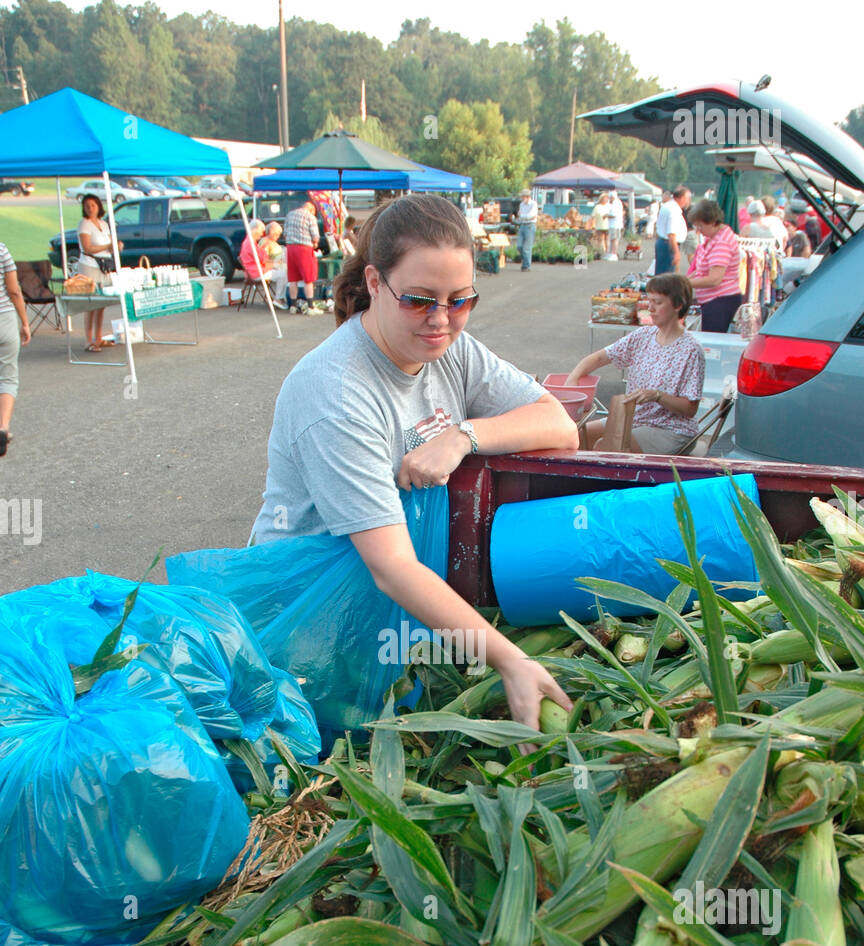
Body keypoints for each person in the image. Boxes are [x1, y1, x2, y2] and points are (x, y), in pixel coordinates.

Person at [249, 194, 578, 730]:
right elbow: (392, 567)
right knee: (318, 749)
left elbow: (560, 425)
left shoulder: (452, 349)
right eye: (420, 300)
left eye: (460, 300)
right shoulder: (336, 392)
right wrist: (509, 659)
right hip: (307, 612)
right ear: (376, 284)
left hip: (388, 605)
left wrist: (462, 436)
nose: (441, 321)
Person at [564, 273, 705, 455]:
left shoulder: (691, 350)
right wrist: (574, 378)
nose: (650, 308)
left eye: (658, 302)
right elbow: (600, 357)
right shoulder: (643, 335)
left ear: (678, 305)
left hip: (670, 429)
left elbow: (689, 409)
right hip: (634, 418)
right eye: (650, 301)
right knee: (573, 436)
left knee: (606, 448)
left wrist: (657, 396)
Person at [685, 198, 743, 333]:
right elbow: (701, 269)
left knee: (712, 343)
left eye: (701, 226)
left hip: (720, 301)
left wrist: (685, 283)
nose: (698, 230)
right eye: (696, 226)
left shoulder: (721, 243)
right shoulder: (713, 237)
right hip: (713, 300)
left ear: (713, 222)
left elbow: (715, 279)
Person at [76, 194, 123, 353]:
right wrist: (107, 246)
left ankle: (98, 337)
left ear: (98, 206)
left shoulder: (103, 224)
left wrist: (116, 246)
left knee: (101, 304)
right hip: (89, 265)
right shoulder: (84, 224)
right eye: (87, 205)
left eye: (93, 205)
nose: (90, 208)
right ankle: (88, 340)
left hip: (104, 266)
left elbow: (110, 244)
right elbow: (87, 247)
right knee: (91, 303)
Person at [0, 241, 30, 457]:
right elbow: (14, 290)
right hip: (5, 319)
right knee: (8, 378)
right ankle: (2, 427)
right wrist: (25, 322)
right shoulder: (1, 250)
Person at [283, 198, 324, 314]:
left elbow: (285, 234)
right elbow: (315, 237)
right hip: (304, 248)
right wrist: (315, 243)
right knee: (308, 279)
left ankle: (293, 306)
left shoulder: (290, 214)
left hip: (290, 248)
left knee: (293, 279)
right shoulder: (310, 217)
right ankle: (310, 307)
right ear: (311, 209)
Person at [238, 219, 289, 310]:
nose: (262, 234)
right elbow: (263, 258)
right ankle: (279, 298)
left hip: (256, 269)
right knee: (284, 273)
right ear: (255, 230)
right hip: (256, 272)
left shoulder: (248, 241)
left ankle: (281, 297)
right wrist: (275, 263)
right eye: (261, 231)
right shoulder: (250, 244)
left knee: (283, 268)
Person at [654, 186, 690, 274]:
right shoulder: (674, 211)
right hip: (669, 245)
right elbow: (671, 233)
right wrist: (676, 252)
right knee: (667, 276)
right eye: (687, 198)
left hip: (663, 243)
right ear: (681, 198)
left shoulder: (667, 206)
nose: (688, 201)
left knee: (662, 274)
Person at [516, 188, 538, 271]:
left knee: (527, 248)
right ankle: (525, 261)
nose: (522, 198)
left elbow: (531, 215)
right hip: (522, 225)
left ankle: (526, 265)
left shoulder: (533, 204)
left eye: (523, 197)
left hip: (530, 226)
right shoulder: (521, 204)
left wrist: (523, 216)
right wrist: (524, 216)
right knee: (519, 246)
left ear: (528, 197)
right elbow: (521, 215)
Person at [606, 191, 624, 259]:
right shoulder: (617, 202)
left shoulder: (616, 203)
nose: (609, 199)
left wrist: (606, 215)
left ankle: (614, 253)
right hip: (614, 224)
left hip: (615, 224)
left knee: (614, 239)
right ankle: (611, 253)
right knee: (613, 239)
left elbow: (614, 215)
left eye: (610, 197)